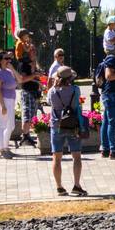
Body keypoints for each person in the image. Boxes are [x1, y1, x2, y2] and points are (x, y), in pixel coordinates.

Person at [46, 67, 88, 197]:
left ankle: (59, 187)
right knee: (76, 156)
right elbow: (77, 105)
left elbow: (48, 103)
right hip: (73, 125)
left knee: (56, 158)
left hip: (57, 125)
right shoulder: (75, 90)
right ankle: (76, 185)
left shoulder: (52, 91)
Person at [0, 52, 34, 159]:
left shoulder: (9, 71)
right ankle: (0, 150)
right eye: (6, 58)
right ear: (0, 60)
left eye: (9, 58)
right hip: (3, 100)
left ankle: (6, 148)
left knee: (11, 125)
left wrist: (12, 68)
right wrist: (2, 105)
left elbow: (20, 80)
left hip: (11, 100)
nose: (9, 60)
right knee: (2, 125)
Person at [14, 29, 41, 131]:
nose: (33, 52)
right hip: (27, 91)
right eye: (32, 50)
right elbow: (21, 79)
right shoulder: (24, 64)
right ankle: (25, 135)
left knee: (33, 115)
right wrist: (34, 75)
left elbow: (34, 76)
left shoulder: (33, 63)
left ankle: (28, 134)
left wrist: (38, 81)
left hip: (34, 91)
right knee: (26, 116)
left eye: (34, 50)